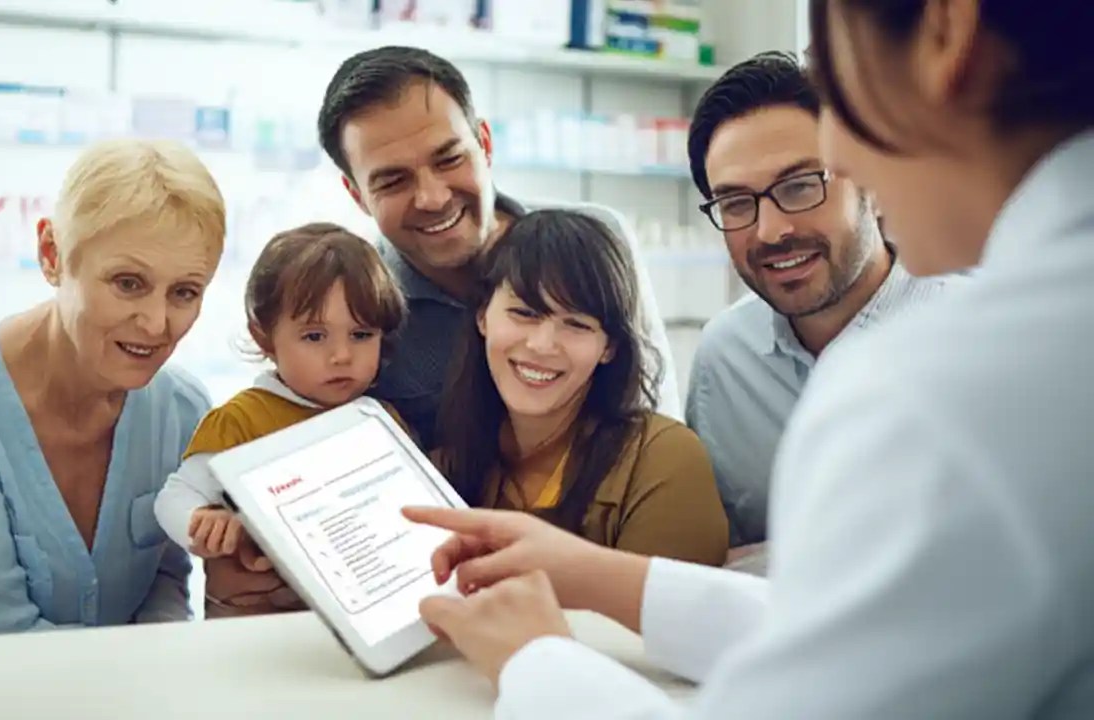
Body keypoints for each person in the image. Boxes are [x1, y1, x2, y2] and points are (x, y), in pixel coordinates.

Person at [404, 0, 1094, 717]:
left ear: (947, 32)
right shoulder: (735, 353)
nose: (847, 150)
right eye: (734, 201)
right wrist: (594, 573)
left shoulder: (936, 387)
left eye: (840, 87)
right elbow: (860, 629)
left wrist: (534, 661)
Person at [0, 139, 227, 639]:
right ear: (52, 255)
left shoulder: (183, 410)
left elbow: (166, 585)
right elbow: (1, 630)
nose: (155, 324)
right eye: (128, 283)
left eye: (184, 293)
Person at [316, 45, 682, 449]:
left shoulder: (596, 240)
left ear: (485, 144)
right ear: (357, 195)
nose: (433, 198)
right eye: (393, 182)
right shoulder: (359, 305)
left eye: (449, 159)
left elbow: (653, 420)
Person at [682, 52, 956, 550]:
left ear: (871, 181)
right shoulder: (725, 361)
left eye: (801, 186)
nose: (772, 230)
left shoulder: (969, 331)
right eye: (737, 203)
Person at [437, 209, 727, 564]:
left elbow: (667, 614)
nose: (542, 344)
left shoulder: (663, 460)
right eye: (525, 313)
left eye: (576, 324)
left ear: (609, 348)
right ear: (483, 316)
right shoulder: (445, 466)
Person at [153, 222, 407, 618]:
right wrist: (202, 521)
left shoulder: (382, 420)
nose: (341, 355)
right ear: (264, 338)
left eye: (361, 335)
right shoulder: (240, 419)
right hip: (255, 625)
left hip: (360, 618)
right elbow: (174, 497)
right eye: (314, 337)